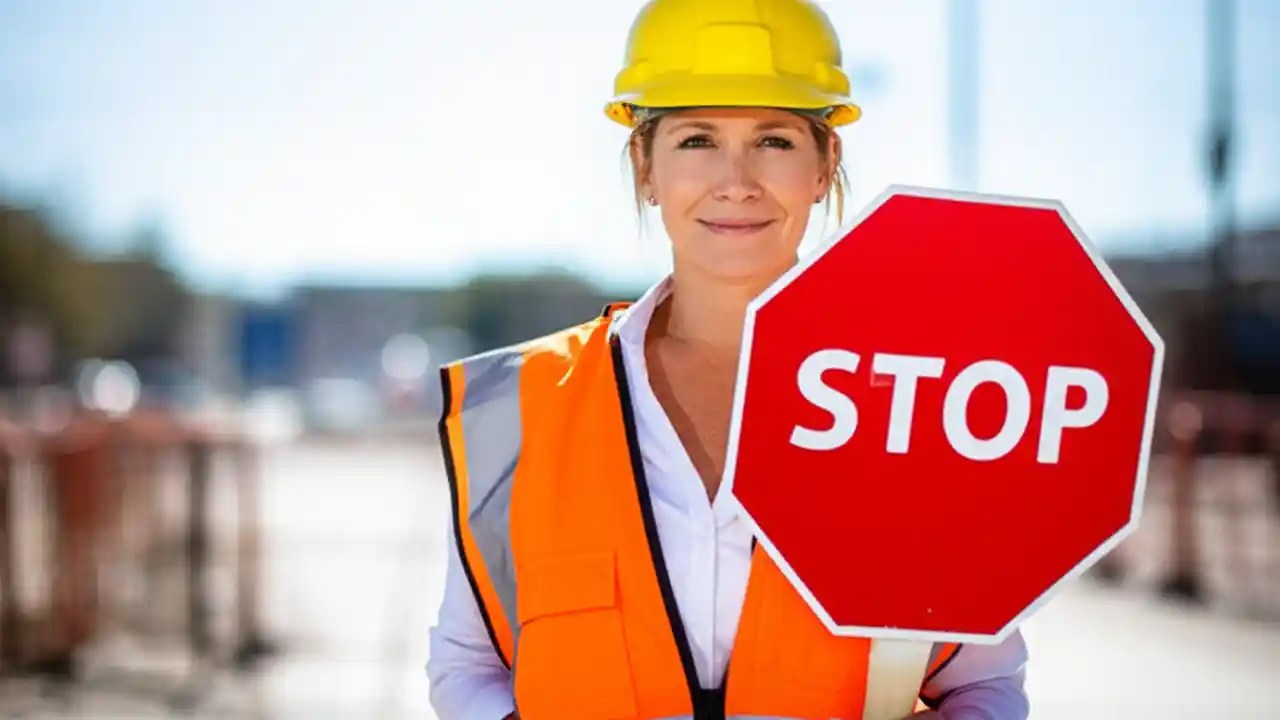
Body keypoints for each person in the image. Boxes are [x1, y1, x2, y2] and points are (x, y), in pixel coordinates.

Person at [426, 1, 1030, 718]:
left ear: (824, 164)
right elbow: (467, 665)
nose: (735, 180)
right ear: (645, 165)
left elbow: (981, 685)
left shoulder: (919, 404)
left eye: (774, 141)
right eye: (696, 140)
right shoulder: (521, 406)